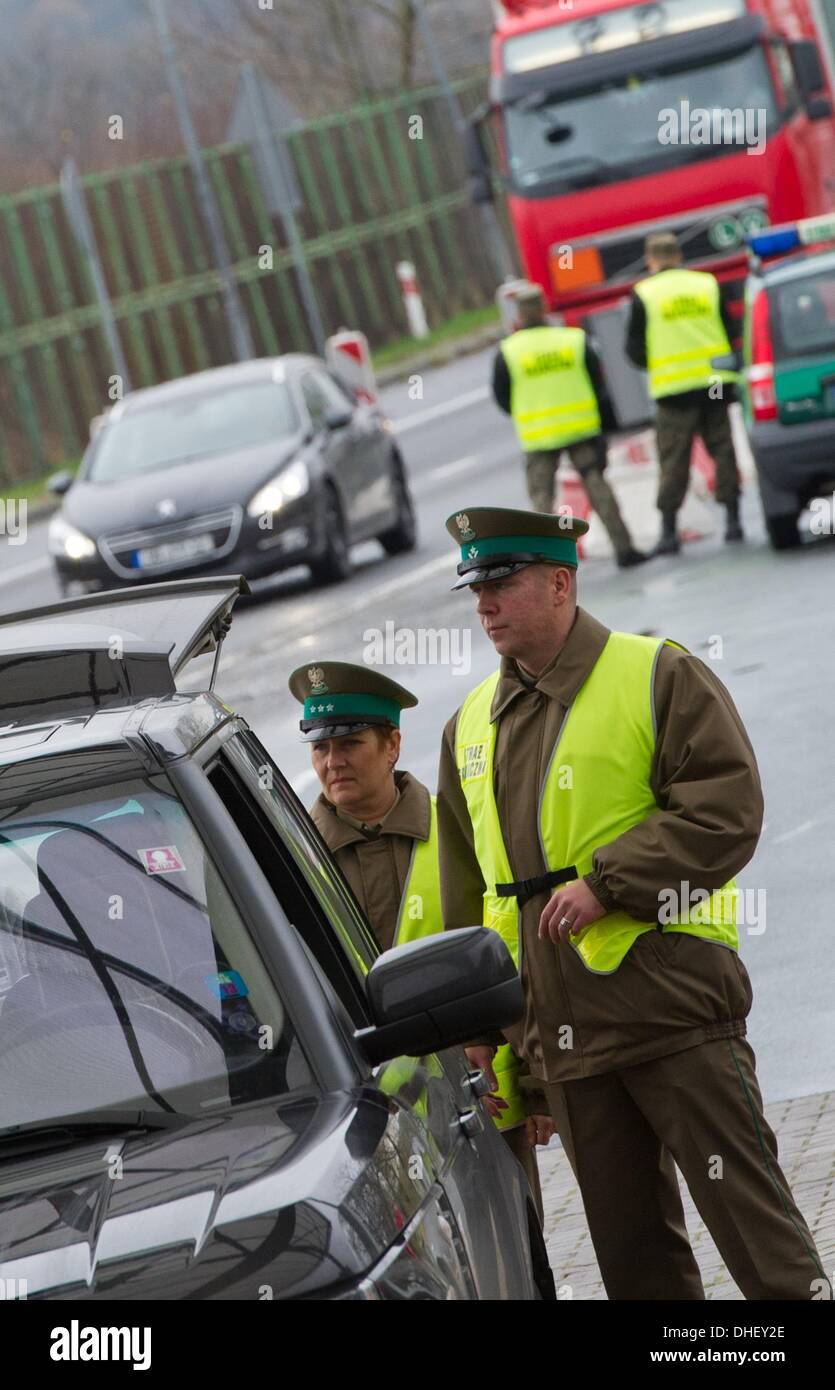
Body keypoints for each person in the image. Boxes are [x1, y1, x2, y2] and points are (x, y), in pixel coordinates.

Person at [436, 505, 830, 1301]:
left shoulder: (656, 673)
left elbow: (725, 811)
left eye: (501, 584)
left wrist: (607, 882)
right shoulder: (467, 726)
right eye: (475, 589)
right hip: (562, 1040)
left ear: (559, 582)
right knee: (633, 1266)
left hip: (671, 1006)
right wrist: (478, 1033)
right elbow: (465, 894)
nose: (483, 605)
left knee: (757, 1235)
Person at [287, 659, 554, 1224]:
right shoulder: (293, 861)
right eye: (320, 749)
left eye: (351, 744)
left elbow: (513, 946)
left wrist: (536, 1085)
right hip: (368, 1123)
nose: (331, 762)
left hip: (481, 1100)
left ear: (392, 746)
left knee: (511, 1250)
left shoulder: (460, 829)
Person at [491, 283, 646, 569]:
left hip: (538, 435)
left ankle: (542, 565)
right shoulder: (574, 339)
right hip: (580, 428)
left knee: (541, 502)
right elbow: (598, 381)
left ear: (520, 316)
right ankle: (624, 550)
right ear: (545, 309)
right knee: (598, 487)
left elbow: (502, 396)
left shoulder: (508, 351)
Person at [626, 231, 743, 554]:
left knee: (674, 460)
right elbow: (731, 330)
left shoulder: (644, 293)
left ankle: (669, 533)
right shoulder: (706, 284)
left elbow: (633, 348)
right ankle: (734, 521)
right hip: (714, 384)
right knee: (723, 450)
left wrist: (661, 364)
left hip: (674, 390)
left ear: (650, 261)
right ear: (679, 257)